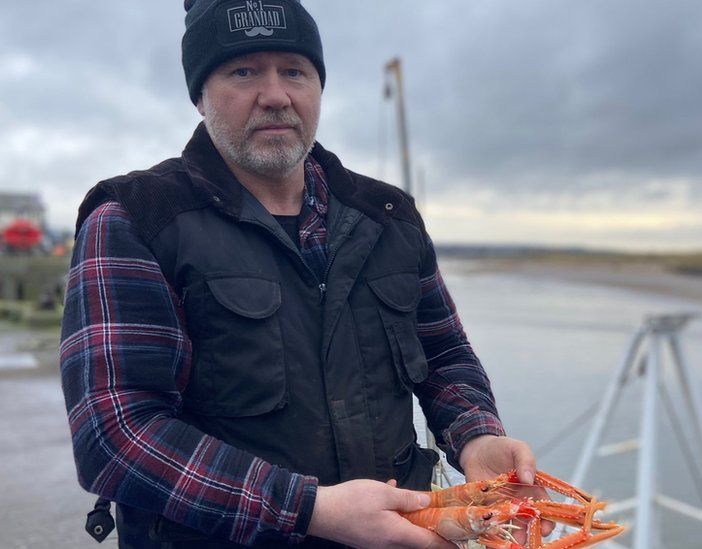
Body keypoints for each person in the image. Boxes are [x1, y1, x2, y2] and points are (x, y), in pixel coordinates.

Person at [60, 1, 537, 547]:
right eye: (243, 71)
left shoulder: (388, 217)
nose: (276, 95)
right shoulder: (135, 220)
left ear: (318, 87)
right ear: (199, 95)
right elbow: (115, 433)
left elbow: (445, 357)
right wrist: (307, 509)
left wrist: (477, 438)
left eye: (294, 71)